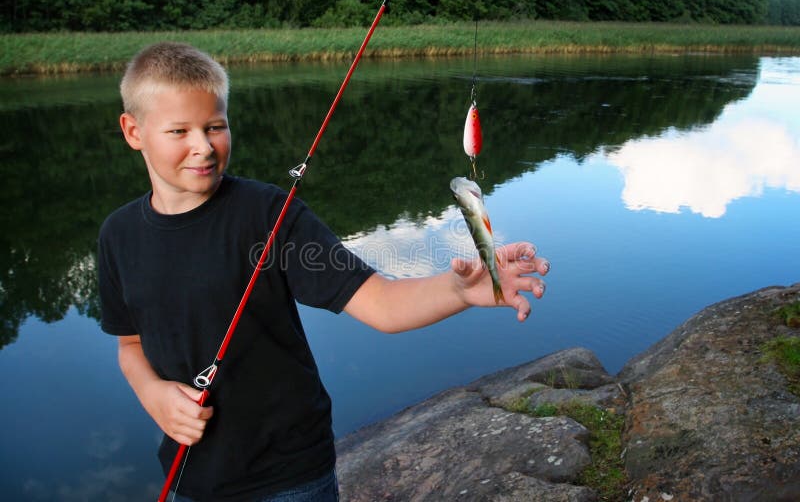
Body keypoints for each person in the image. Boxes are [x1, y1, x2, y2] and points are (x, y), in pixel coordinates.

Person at [97, 42, 549, 502]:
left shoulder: (269, 213)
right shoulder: (117, 236)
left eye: (215, 126)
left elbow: (381, 303)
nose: (203, 146)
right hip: (189, 477)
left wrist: (459, 289)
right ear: (133, 131)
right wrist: (153, 395)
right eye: (179, 131)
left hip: (290, 476)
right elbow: (129, 344)